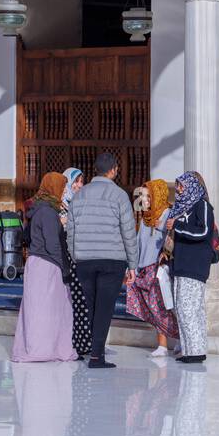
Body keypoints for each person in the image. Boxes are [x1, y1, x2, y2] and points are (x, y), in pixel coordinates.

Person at [66, 150, 138, 370]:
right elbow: (128, 231)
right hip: (112, 260)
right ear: (114, 170)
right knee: (104, 308)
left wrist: (76, 255)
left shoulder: (79, 195)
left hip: (85, 260)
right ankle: (97, 356)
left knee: (92, 306)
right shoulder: (119, 196)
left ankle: (95, 352)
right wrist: (133, 264)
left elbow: (71, 231)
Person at [12, 172, 77, 363]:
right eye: (62, 187)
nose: (64, 190)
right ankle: (44, 350)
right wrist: (64, 267)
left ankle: (37, 347)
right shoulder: (48, 212)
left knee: (37, 308)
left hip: (37, 263)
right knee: (50, 310)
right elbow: (52, 244)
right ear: (54, 187)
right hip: (48, 265)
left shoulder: (39, 208)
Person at [166, 170, 215, 365]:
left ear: (193, 186)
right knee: (182, 308)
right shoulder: (182, 207)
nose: (178, 190)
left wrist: (177, 225)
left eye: (181, 186)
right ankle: (191, 350)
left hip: (194, 266)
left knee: (189, 309)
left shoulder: (202, 206)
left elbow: (203, 231)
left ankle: (195, 351)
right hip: (180, 264)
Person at [125, 179, 179, 356]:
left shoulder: (168, 214)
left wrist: (162, 227)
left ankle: (172, 341)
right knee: (152, 307)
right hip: (143, 268)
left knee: (161, 306)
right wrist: (132, 266)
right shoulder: (146, 218)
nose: (145, 200)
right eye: (143, 196)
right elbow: (138, 243)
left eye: (149, 196)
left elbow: (172, 239)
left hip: (158, 268)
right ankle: (166, 343)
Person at [60, 166, 92, 359]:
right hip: (65, 259)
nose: (80, 185)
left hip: (81, 258)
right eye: (76, 181)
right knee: (66, 302)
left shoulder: (81, 204)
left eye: (81, 181)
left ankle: (82, 344)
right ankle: (67, 342)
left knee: (81, 302)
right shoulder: (59, 205)